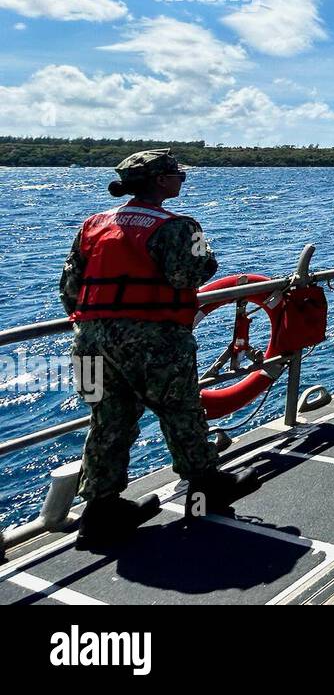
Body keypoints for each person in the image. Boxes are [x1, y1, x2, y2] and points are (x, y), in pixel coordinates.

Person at [61, 149, 257, 550]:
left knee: (107, 419)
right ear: (160, 181)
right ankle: (205, 492)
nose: (182, 179)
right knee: (180, 410)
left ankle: (99, 513)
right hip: (153, 340)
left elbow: (70, 287)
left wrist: (101, 324)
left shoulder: (92, 225)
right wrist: (207, 255)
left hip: (88, 340)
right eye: (176, 175)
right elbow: (191, 273)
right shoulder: (179, 226)